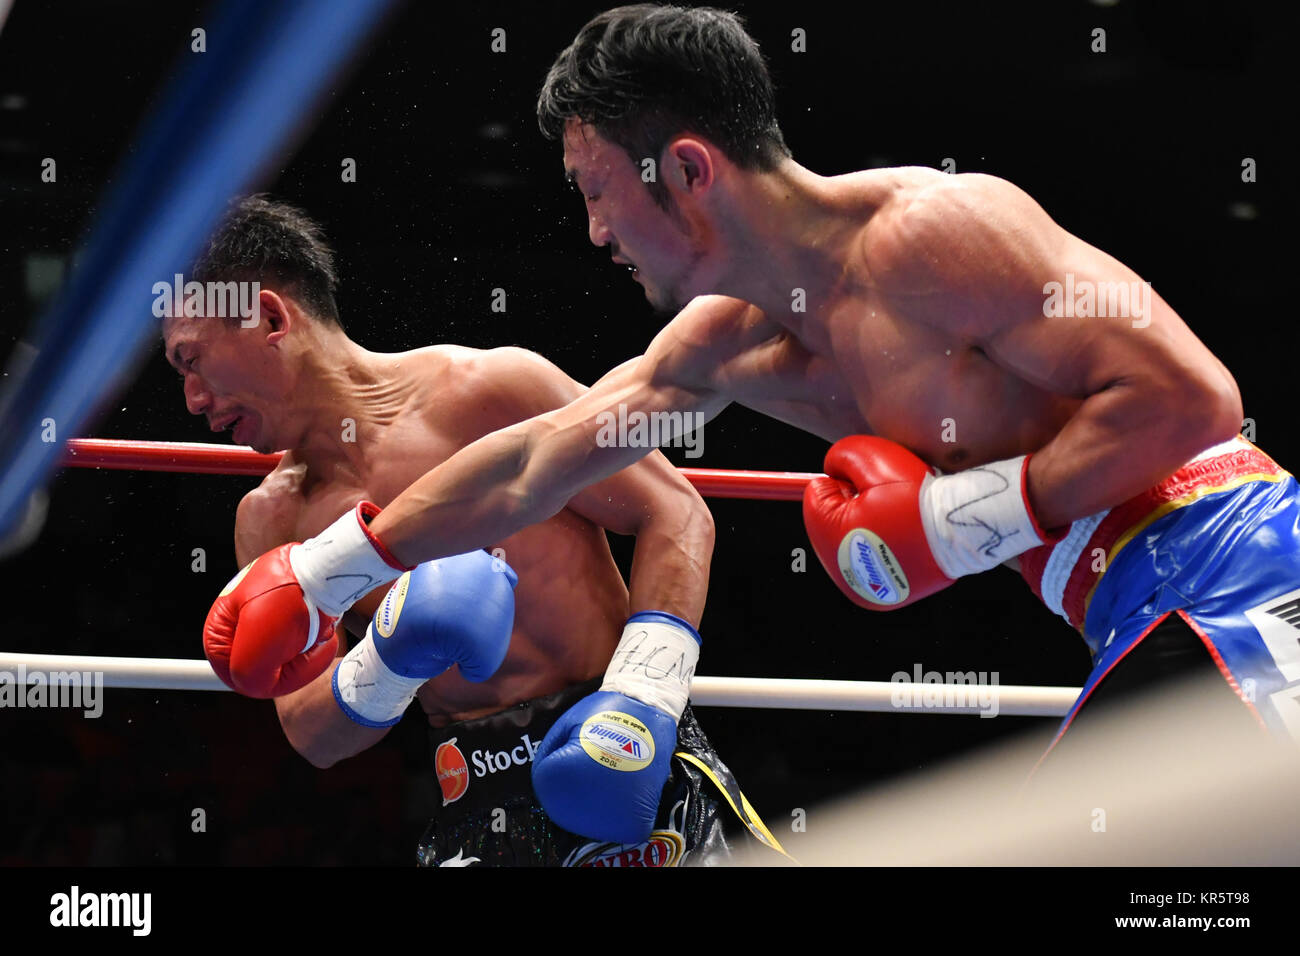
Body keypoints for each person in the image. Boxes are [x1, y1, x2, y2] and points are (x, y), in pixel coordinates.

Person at [210, 3, 1299, 780]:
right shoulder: (726, 345)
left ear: (687, 172)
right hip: (1129, 616)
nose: (592, 234)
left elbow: (1193, 400)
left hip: (1238, 571)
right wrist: (331, 566)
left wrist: (956, 525)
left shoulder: (933, 234)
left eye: (596, 193)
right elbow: (539, 460)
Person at [172, 195, 785, 866]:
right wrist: (389, 655)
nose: (192, 400)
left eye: (192, 361)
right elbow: (310, 734)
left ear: (266, 316)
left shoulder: (491, 389)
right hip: (479, 806)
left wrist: (642, 700)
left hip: (631, 749)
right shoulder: (270, 520)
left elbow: (674, 510)